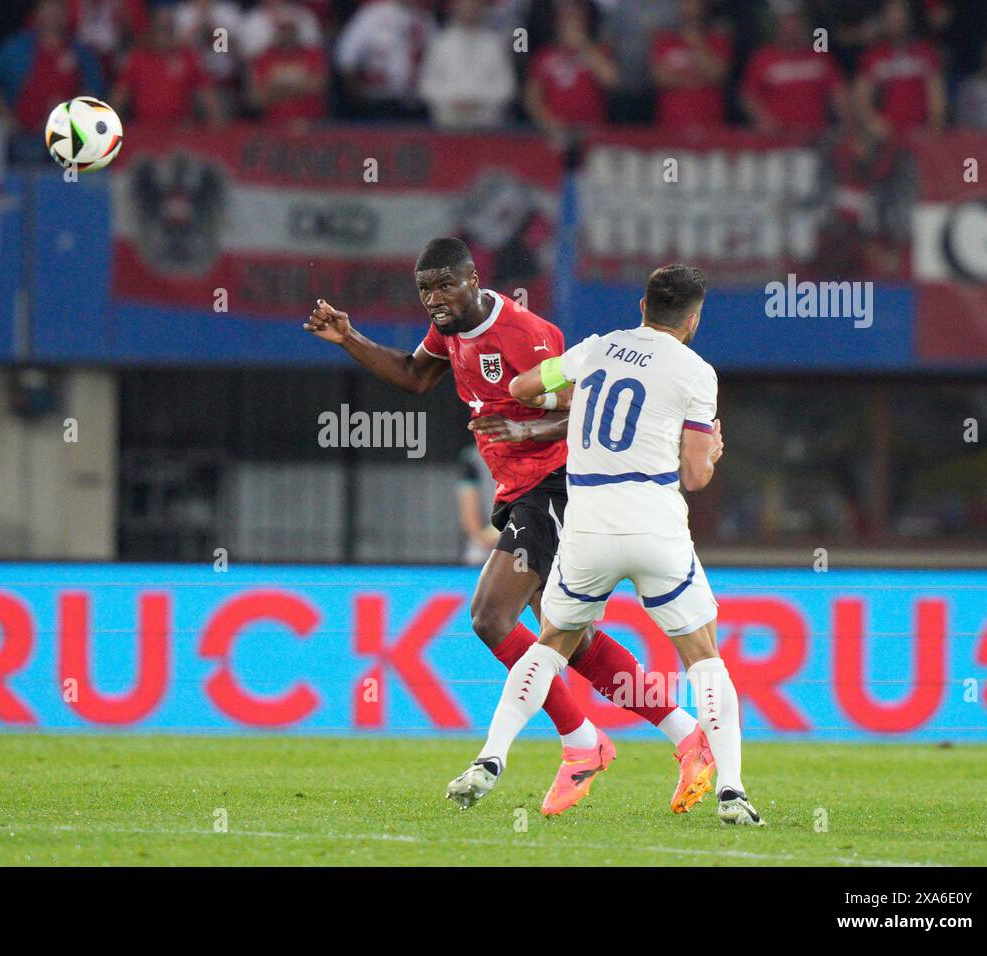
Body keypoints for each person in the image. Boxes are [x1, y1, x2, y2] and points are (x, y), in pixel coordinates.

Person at [304, 237, 715, 817]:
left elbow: (583, 406)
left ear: (474, 279)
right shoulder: (450, 331)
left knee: (491, 614)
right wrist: (349, 338)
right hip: (518, 492)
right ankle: (682, 733)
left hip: (554, 488)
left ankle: (580, 742)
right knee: (571, 641)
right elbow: (416, 377)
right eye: (425, 290)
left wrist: (527, 436)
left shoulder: (525, 333)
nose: (435, 299)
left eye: (446, 285)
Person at [446, 264, 765, 827]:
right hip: (654, 525)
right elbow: (694, 476)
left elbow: (521, 388)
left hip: (588, 524)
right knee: (704, 659)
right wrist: (711, 452)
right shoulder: (696, 372)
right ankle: (733, 793)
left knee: (548, 647)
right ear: (693, 319)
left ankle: (491, 757)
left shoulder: (597, 349)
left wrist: (556, 405)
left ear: (642, 306)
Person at [0, 0, 103, 143]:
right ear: (38, 13)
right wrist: (5, 116)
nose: (53, 14)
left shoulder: (80, 53)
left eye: (58, 8)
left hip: (63, 139)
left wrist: (68, 112)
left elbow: (94, 89)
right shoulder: (16, 47)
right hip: (17, 137)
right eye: (48, 8)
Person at [740, 1, 850, 136]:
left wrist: (847, 124)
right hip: (779, 138)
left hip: (816, 137)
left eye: (796, 20)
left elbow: (839, 93)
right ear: (775, 25)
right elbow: (749, 95)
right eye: (786, 21)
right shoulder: (762, 58)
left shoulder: (820, 57)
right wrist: (765, 121)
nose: (792, 27)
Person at [111, 6, 225, 130]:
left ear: (173, 32)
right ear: (150, 31)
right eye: (159, 29)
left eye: (167, 30)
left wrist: (217, 127)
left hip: (180, 129)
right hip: (145, 129)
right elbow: (120, 95)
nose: (163, 35)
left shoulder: (188, 56)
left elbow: (207, 93)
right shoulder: (137, 58)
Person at [525, 0, 617, 147]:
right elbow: (532, 99)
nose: (570, 27)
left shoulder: (599, 51)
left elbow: (611, 80)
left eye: (576, 22)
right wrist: (550, 122)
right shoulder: (544, 55)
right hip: (555, 134)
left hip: (593, 132)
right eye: (565, 22)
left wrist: (584, 48)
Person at [416, 0, 516, 130]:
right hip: (447, 122)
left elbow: (506, 85)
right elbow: (427, 84)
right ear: (455, 9)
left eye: (474, 8)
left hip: (487, 123)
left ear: (482, 10)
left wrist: (477, 101)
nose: (469, 12)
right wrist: (454, 101)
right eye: (464, 7)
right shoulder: (440, 43)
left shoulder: (494, 44)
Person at [854, 0, 946, 137]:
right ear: (884, 20)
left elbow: (936, 95)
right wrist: (873, 123)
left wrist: (935, 126)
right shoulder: (873, 56)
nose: (896, 20)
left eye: (900, 16)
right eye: (891, 16)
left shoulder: (926, 53)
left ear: (909, 20)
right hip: (885, 136)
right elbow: (861, 96)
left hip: (919, 133)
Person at [649, 0, 731, 131]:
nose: (689, 8)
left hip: (710, 123)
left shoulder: (718, 40)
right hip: (671, 123)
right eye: (685, 3)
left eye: (694, 3)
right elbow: (659, 78)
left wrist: (696, 44)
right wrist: (695, 80)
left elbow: (718, 75)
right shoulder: (665, 40)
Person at [457, 444, 499, 565]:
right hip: (486, 540)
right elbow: (468, 511)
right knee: (476, 553)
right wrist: (483, 538)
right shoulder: (473, 458)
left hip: (523, 536)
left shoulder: (533, 453)